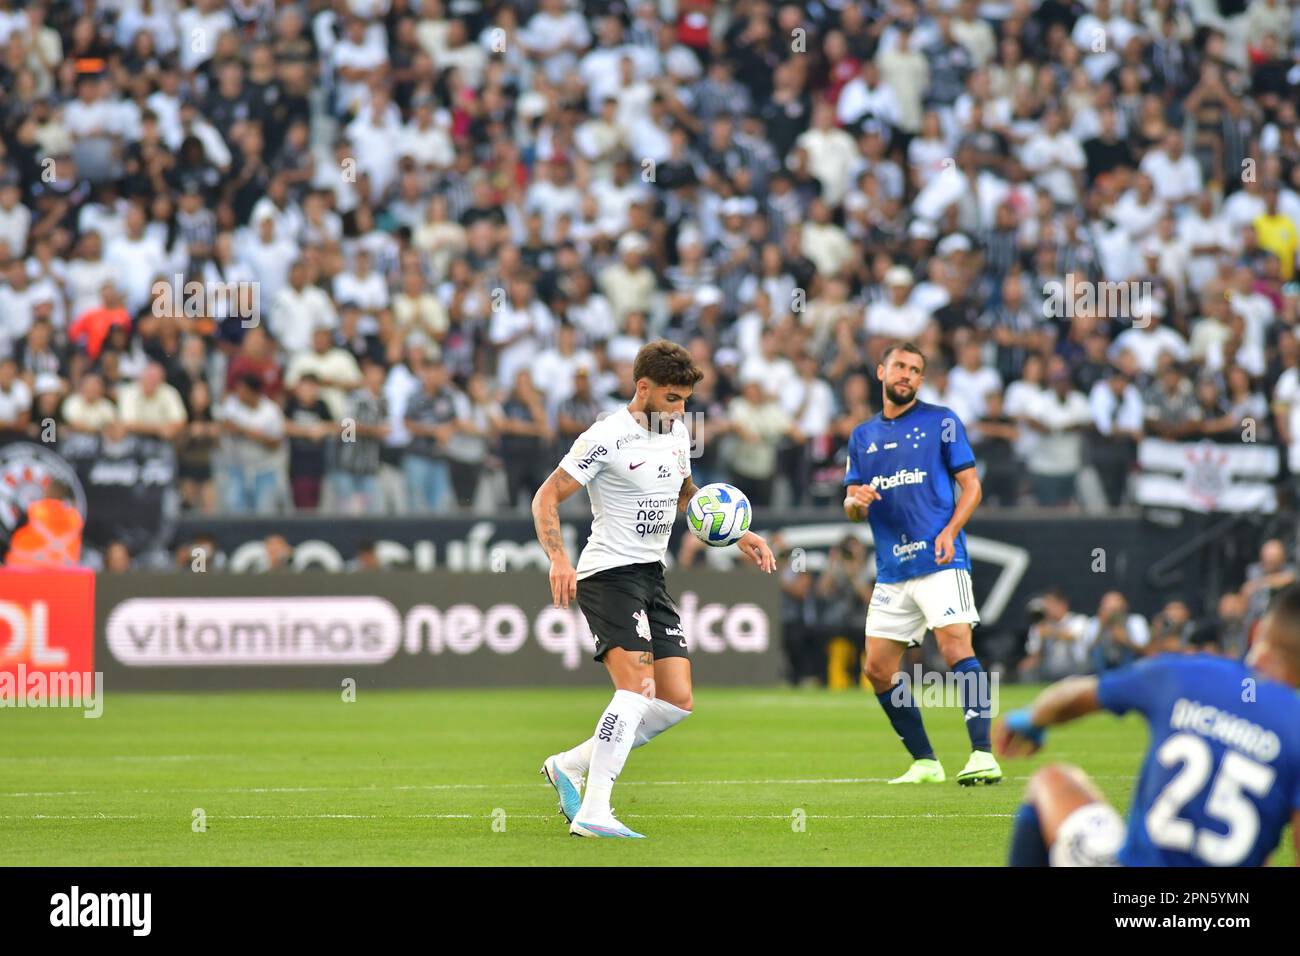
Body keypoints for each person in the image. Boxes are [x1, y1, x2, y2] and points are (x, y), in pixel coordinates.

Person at [532, 340, 775, 838]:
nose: (680, 409)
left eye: (685, 399)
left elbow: (685, 494)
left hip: (651, 574)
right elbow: (546, 497)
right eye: (671, 398)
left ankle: (567, 765)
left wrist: (737, 533)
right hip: (607, 575)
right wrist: (559, 556)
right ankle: (595, 809)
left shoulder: (678, 432)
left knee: (677, 700)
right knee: (636, 689)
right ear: (642, 389)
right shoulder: (605, 436)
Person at [998, 584, 1300, 867]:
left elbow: (1077, 695)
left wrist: (1029, 720)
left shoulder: (1190, 672)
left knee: (1052, 781)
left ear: (1259, 631)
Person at [844, 341, 999, 785]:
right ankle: (926, 761)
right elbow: (851, 505)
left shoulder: (942, 421)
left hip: (940, 559)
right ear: (881, 372)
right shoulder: (862, 436)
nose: (906, 375)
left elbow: (971, 486)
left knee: (955, 648)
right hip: (893, 569)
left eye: (914, 369)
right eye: (899, 366)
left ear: (921, 379)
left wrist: (950, 531)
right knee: (876, 668)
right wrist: (857, 502)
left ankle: (983, 754)